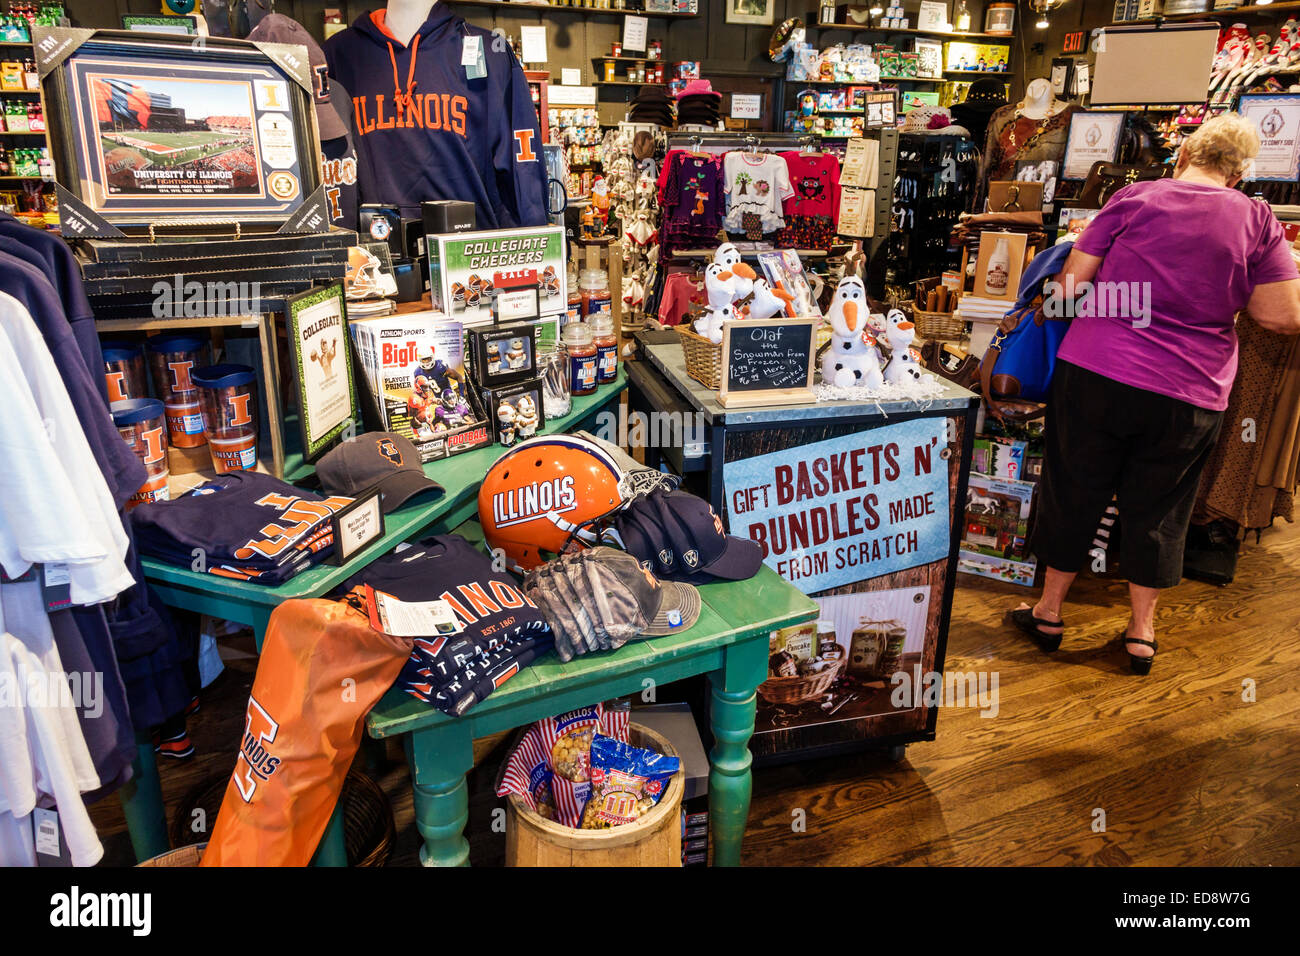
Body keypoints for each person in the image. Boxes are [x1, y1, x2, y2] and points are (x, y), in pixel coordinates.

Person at [1010, 113, 1300, 674]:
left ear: (1185, 153)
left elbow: (1068, 292)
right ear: (1238, 173)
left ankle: (1048, 612)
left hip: (1097, 370)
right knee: (1161, 507)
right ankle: (1141, 632)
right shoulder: (1258, 220)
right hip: (1190, 388)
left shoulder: (1135, 199)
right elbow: (1281, 316)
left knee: (1075, 488)